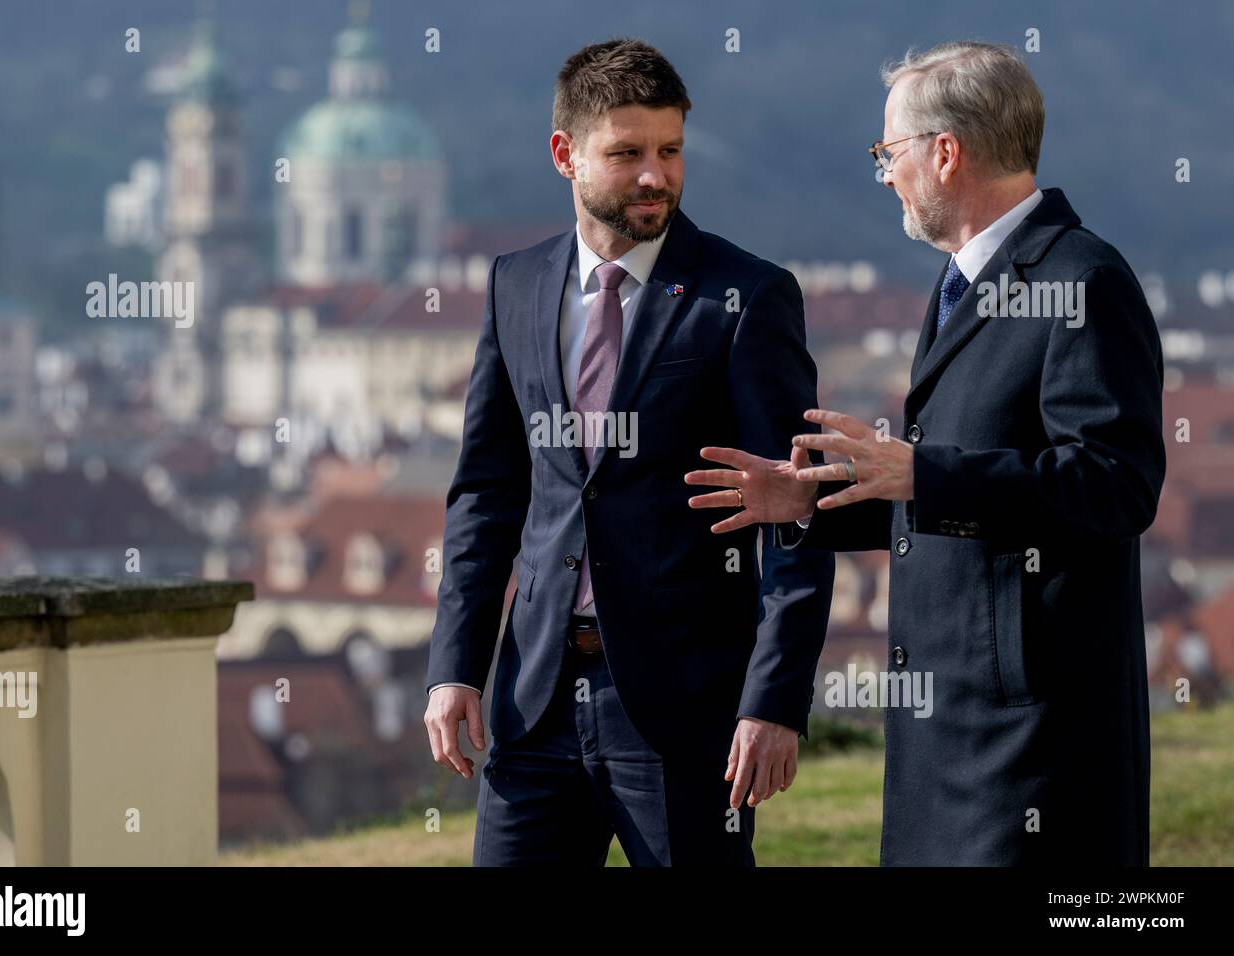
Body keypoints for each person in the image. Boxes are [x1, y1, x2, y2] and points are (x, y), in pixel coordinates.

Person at [686, 40, 1165, 865]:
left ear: (945, 154)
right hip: (945, 739)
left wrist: (924, 472)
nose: (884, 175)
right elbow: (953, 493)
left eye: (890, 153)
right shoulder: (959, 286)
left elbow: (1115, 486)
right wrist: (814, 500)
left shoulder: (1083, 282)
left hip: (1030, 744)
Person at [426, 38, 834, 866]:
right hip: (531, 698)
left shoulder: (747, 296)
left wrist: (776, 701)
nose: (656, 175)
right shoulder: (516, 283)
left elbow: (798, 510)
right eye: (628, 154)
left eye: (671, 150)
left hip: (686, 711)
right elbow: (487, 494)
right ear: (564, 155)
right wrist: (455, 668)